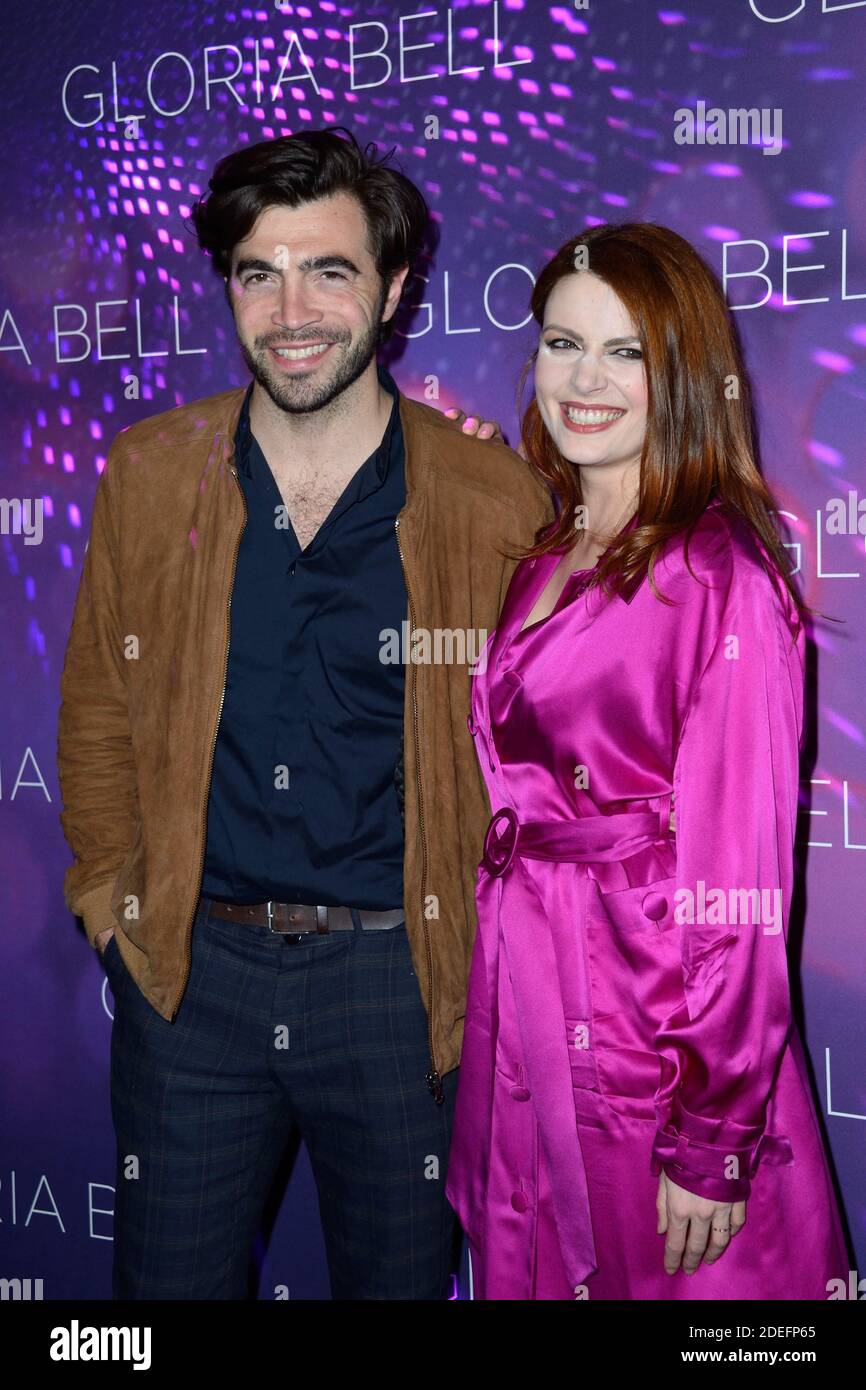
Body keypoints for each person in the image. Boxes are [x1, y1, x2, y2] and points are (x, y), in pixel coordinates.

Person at [56, 127, 551, 1300]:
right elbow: (96, 712)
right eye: (256, 272)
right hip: (192, 978)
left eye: (328, 270)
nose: (291, 310)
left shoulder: (493, 499)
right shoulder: (149, 472)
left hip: (401, 990)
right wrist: (112, 915)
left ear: (392, 288)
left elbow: (537, 760)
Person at [445, 222, 850, 1300]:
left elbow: (739, 886)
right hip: (527, 1005)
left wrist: (711, 1135)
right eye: (560, 343)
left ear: (679, 373)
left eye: (623, 352)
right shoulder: (547, 544)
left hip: (649, 1038)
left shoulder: (720, 573)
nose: (582, 379)